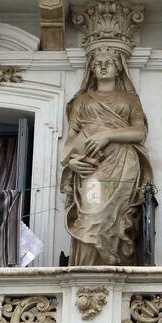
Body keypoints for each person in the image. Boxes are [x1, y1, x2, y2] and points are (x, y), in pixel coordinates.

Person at [61, 46, 153, 265]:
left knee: (117, 215)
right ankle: (87, 268)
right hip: (91, 166)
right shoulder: (82, 101)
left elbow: (139, 133)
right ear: (92, 69)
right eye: (98, 64)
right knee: (91, 215)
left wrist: (107, 135)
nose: (103, 67)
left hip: (123, 164)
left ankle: (116, 263)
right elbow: (71, 139)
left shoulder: (130, 100)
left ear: (118, 68)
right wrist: (70, 161)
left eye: (108, 63)